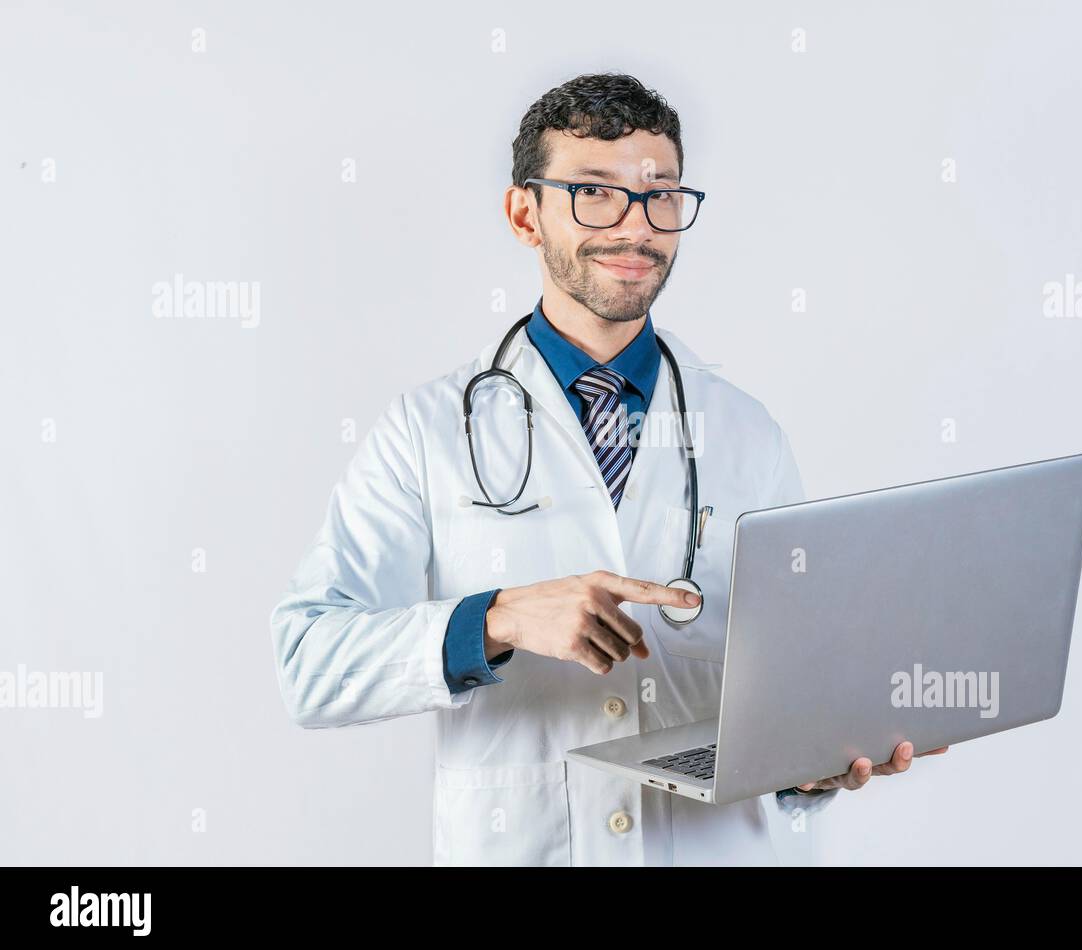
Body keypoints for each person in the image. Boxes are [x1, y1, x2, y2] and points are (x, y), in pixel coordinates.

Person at [270, 72, 945, 866]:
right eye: (595, 193)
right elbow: (309, 662)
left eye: (660, 195)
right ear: (526, 214)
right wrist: (497, 619)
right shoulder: (425, 431)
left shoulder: (745, 433)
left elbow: (788, 686)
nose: (637, 227)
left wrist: (819, 761)